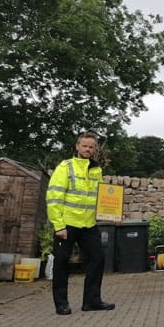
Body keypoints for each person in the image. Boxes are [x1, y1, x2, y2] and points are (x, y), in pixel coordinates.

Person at [46, 132, 114, 315]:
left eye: (91, 147)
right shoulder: (65, 167)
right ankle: (62, 304)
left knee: (98, 258)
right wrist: (58, 225)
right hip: (67, 223)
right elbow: (53, 197)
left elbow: (101, 198)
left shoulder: (96, 170)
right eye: (84, 146)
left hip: (88, 224)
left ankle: (92, 301)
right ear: (77, 146)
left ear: (94, 149)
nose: (88, 149)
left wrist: (112, 215)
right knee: (61, 262)